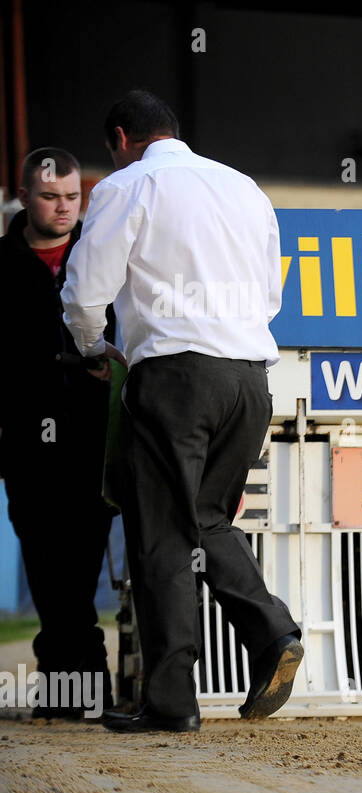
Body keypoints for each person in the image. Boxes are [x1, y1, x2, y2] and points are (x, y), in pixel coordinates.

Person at [61, 90, 302, 733]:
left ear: (119, 139)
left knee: (163, 533)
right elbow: (271, 291)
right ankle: (274, 632)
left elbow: (87, 289)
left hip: (175, 378)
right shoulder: (243, 188)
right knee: (207, 519)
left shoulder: (127, 186)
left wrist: (90, 347)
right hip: (248, 377)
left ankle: (171, 701)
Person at [0, 147, 117, 719]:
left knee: (78, 570)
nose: (65, 207)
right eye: (51, 197)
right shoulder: (2, 264)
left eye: (74, 196)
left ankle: (76, 693)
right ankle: (78, 692)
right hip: (25, 448)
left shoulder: (98, 257)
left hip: (93, 445)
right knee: (49, 572)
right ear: (24, 197)